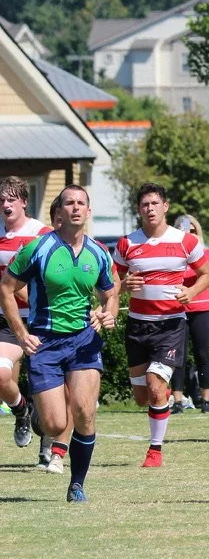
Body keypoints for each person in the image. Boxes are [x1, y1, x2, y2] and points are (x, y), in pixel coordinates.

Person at [0, 185, 117, 502]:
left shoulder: (98, 253)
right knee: (54, 425)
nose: (76, 208)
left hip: (83, 341)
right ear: (60, 212)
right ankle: (36, 413)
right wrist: (21, 333)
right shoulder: (38, 249)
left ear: (88, 211)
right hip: (45, 343)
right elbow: (7, 288)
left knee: (84, 412)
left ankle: (77, 484)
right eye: (69, 203)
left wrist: (109, 314)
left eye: (81, 203)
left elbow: (110, 292)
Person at [113, 184, 209, 468]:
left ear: (165, 206)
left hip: (170, 326)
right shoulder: (127, 243)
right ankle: (162, 397)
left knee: (155, 388)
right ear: (139, 209)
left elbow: (206, 274)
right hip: (137, 326)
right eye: (145, 204)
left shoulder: (185, 241)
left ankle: (155, 451)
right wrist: (123, 286)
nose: (150, 209)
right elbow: (109, 283)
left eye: (155, 203)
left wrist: (190, 294)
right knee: (142, 397)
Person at [0, 176, 51, 450]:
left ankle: (47, 444)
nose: (6, 205)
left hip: (40, 318)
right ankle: (21, 412)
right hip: (8, 320)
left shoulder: (41, 233)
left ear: (24, 202)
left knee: (45, 383)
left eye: (11, 199)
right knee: (0, 374)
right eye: (2, 200)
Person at [168, 214, 209, 414]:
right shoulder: (172, 254)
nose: (189, 233)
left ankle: (205, 399)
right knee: (178, 356)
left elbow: (201, 275)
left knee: (202, 354)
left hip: (201, 309)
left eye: (193, 230)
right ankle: (178, 400)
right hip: (178, 309)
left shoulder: (205, 252)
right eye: (184, 230)